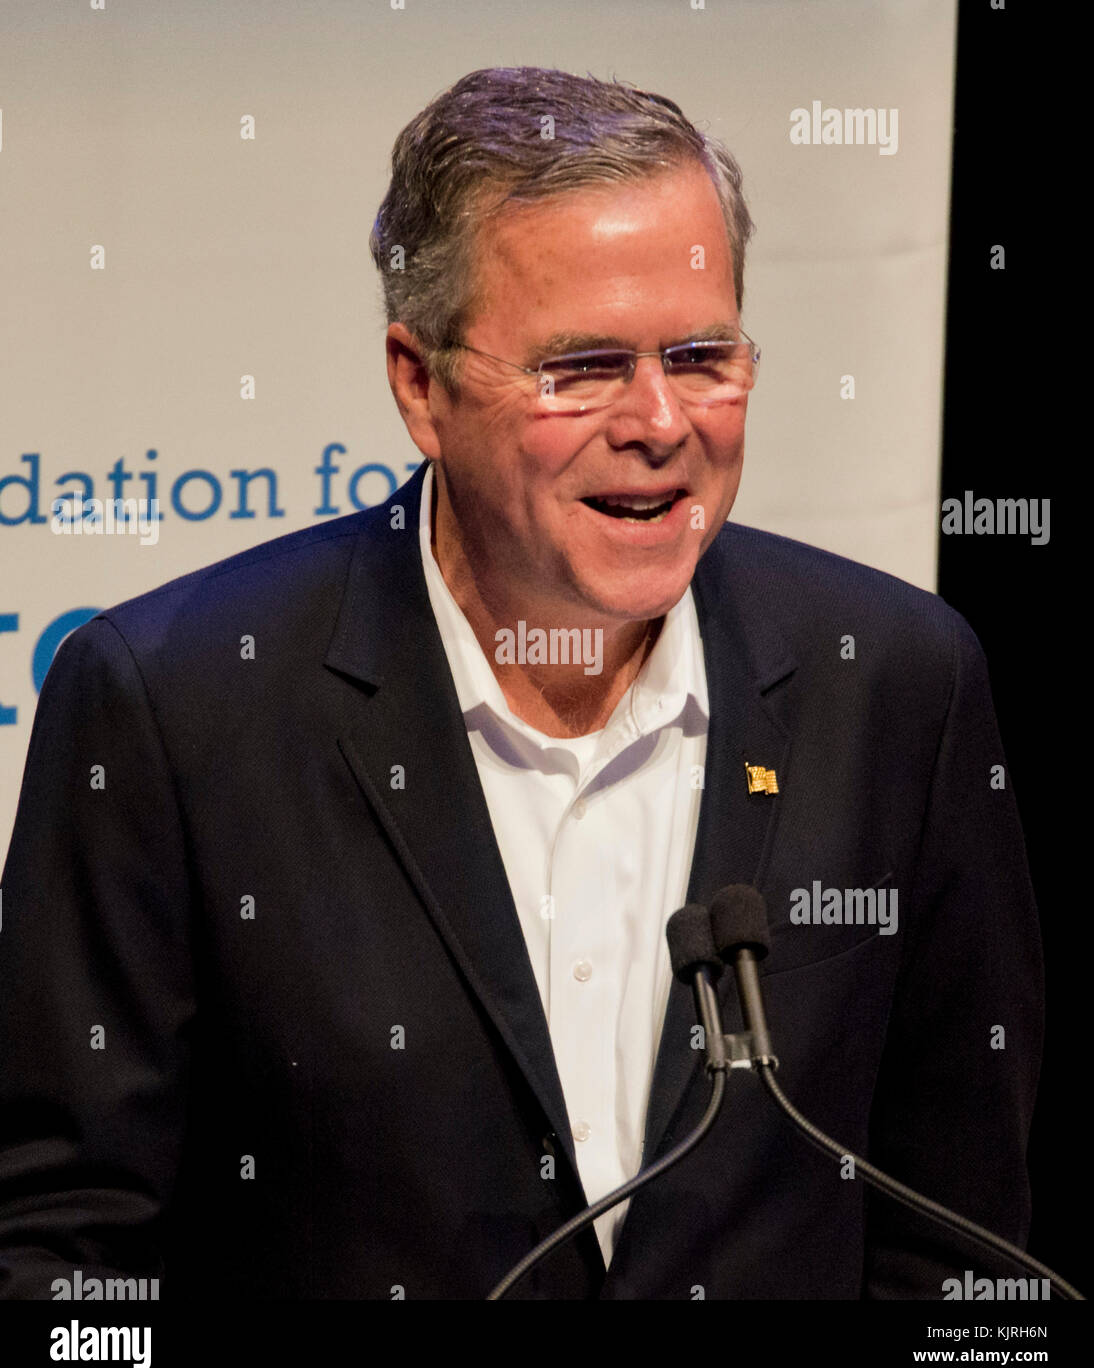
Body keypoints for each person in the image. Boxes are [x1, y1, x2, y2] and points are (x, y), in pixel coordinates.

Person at [0, 66, 1041, 1299]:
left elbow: (964, 1254)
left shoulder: (899, 687)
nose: (660, 420)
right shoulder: (175, 709)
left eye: (702, 354)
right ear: (420, 384)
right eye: (584, 365)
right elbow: (59, 1274)